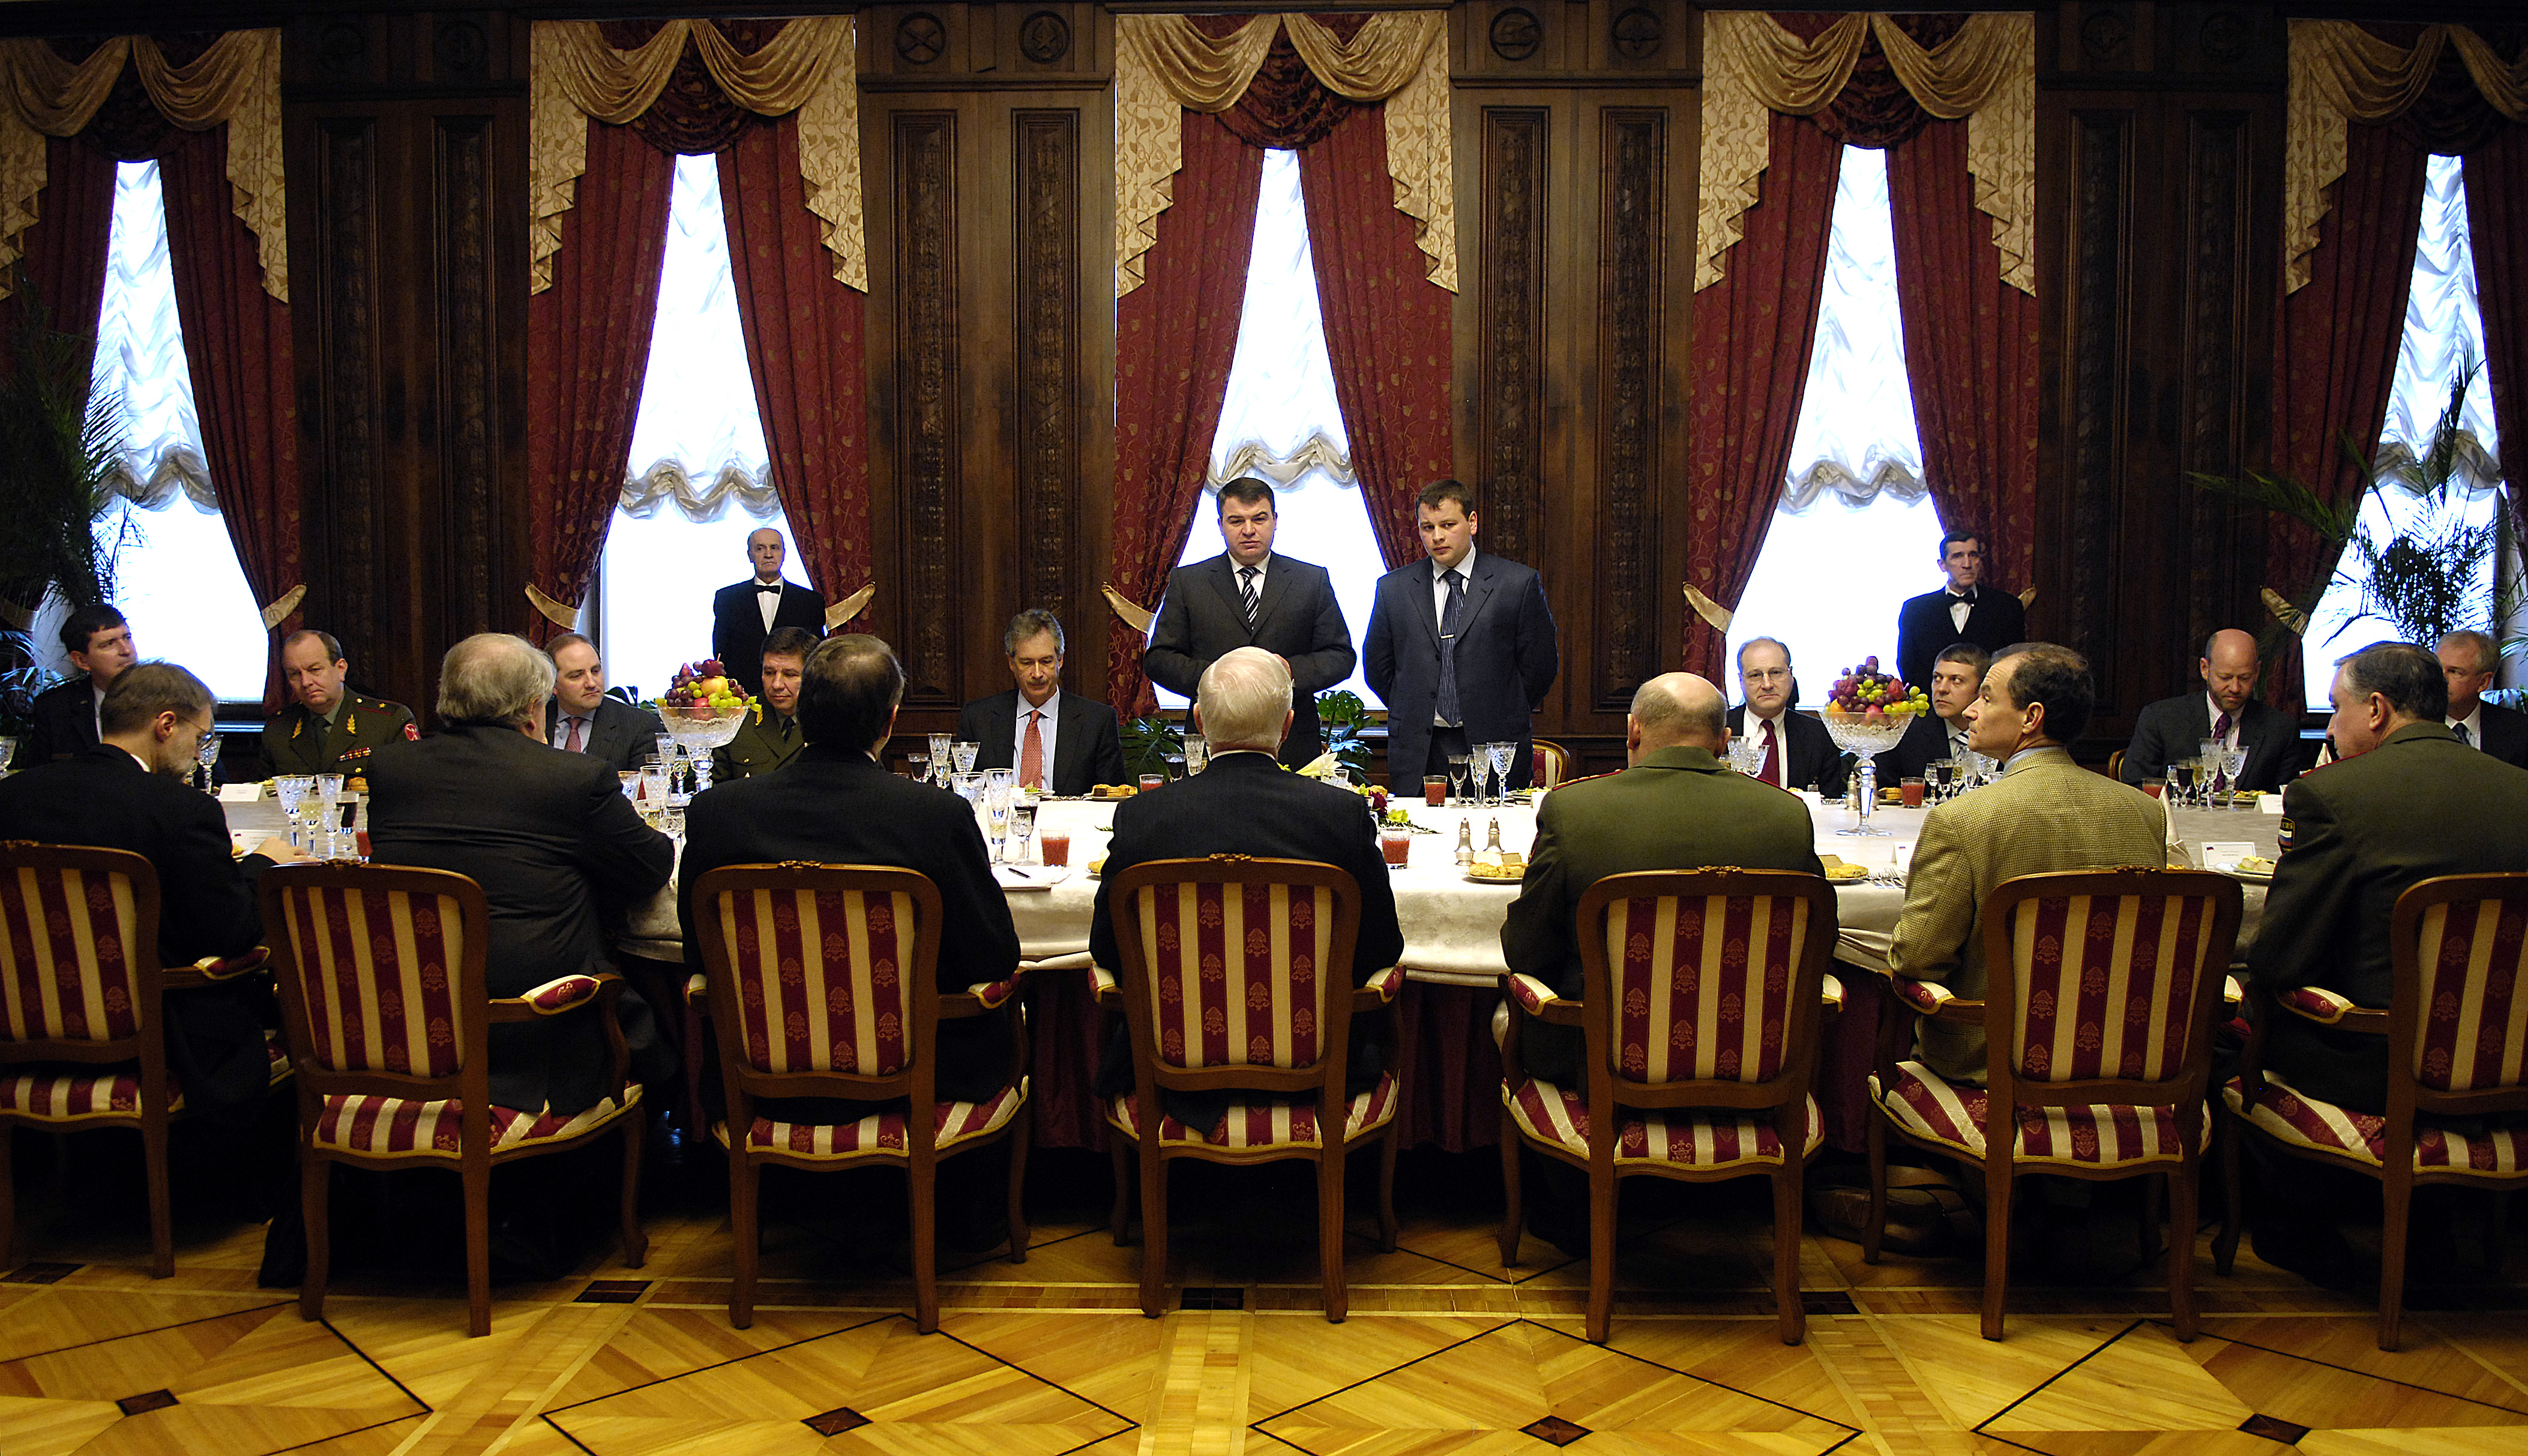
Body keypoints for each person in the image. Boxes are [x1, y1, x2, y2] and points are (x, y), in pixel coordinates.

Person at [682, 633, 1021, 1103]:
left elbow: (699, 953)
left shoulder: (715, 815)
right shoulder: (935, 817)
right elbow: (992, 957)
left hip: (756, 1082)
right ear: (890, 722)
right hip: (921, 1082)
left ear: (802, 712)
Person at [1090, 648, 1404, 1134]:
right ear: (1287, 725)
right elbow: (1383, 947)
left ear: (1198, 720)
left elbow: (1106, 947)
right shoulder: (1340, 816)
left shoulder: (1142, 818)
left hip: (1170, 1072)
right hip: (1321, 1068)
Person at [365, 634, 674, 1117]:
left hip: (410, 1019)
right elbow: (649, 867)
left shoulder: (389, 769)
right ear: (535, 706)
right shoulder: (570, 778)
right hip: (541, 1030)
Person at [0, 661, 305, 1125]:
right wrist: (264, 863)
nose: (199, 752)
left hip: (20, 1035)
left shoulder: (13, 797)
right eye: (201, 737)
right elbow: (230, 934)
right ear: (166, 725)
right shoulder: (180, 810)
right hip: (160, 1039)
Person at [1501, 672, 1830, 1089]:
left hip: (1595, 1065)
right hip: (1761, 1071)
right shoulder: (1787, 816)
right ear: (1724, 739)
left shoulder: (1574, 810)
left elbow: (1525, 949)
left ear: (1633, 729)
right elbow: (1821, 942)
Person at [2251, 641, 2528, 1115]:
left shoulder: (2332, 796)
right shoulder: (2519, 789)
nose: (2333, 727)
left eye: (2338, 708)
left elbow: (2279, 960)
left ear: (2377, 708)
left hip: (2376, 1067)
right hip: (2514, 1068)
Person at [1889, 643, 2179, 1082]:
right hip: (2124, 1065)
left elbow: (1916, 959)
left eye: (1986, 697)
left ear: (2031, 717)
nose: (1970, 711)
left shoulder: (1963, 819)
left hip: (1993, 1064)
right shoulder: (2143, 811)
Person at [1143, 478, 1356, 769]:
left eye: (1259, 519)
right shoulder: (1189, 582)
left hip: (1291, 739)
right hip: (1212, 740)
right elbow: (1159, 659)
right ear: (1220, 525)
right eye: (1236, 521)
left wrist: (1287, 672)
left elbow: (1340, 656)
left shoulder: (1311, 581)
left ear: (1275, 520)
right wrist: (1223, 678)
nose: (1248, 530)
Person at [1362, 480, 1560, 793]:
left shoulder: (1516, 583)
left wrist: (1499, 706)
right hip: (1420, 749)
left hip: (1495, 744)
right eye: (1427, 527)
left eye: (1448, 525)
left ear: (1472, 522)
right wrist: (1416, 706)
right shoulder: (1394, 589)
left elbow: (1540, 666)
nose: (1437, 536)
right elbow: (1378, 667)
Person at [959, 609, 1126, 794]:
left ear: (1060, 660)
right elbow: (962, 793)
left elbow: (1112, 800)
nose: (1037, 674)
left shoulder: (1097, 722)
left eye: (1046, 661)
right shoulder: (978, 719)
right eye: (1027, 663)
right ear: (1011, 663)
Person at [2120, 628, 2304, 793]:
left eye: (2245, 678)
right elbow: (2135, 786)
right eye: (2225, 677)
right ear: (2205, 669)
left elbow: (2286, 801)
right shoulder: (2161, 719)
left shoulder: (2281, 730)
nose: (2235, 687)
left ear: (2257, 672)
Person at [262, 629, 417, 775]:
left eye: (315, 670)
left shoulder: (389, 721)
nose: (305, 682)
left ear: (341, 669)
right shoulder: (278, 731)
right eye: (295, 674)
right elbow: (264, 796)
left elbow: (414, 786)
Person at [1895, 531, 2026, 692]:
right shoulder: (1916, 609)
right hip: (1932, 706)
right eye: (1958, 556)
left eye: (1973, 555)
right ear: (1942, 565)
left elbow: (2014, 663)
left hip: (1988, 705)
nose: (1967, 564)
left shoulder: (2008, 606)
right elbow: (1908, 664)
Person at [1723, 637, 1848, 798]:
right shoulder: (1718, 729)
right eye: (1755, 675)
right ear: (1741, 681)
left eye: (1776, 673)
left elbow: (1831, 802)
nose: (1767, 685)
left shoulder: (1819, 734)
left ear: (1791, 676)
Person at [711, 527, 826, 698]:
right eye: (760, 548)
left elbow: (815, 654)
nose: (768, 554)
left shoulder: (811, 601)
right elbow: (721, 652)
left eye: (774, 548)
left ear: (784, 554)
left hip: (796, 697)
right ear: (750, 555)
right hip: (743, 696)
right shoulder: (727, 598)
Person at [22, 604, 137, 764]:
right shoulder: (55, 708)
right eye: (109, 644)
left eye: (127, 638)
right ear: (81, 660)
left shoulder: (166, 696)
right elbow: (40, 776)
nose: (126, 651)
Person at [543, 633, 666, 774]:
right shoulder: (532, 722)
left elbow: (645, 792)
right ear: (552, 683)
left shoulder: (639, 726)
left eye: (596, 671)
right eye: (577, 676)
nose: (591, 683)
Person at [711, 627, 815, 781]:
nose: (777, 684)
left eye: (790, 675)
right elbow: (715, 790)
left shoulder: (827, 720)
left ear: (812, 674)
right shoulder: (738, 719)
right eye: (769, 673)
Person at [1883, 643, 1990, 784]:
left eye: (1956, 680)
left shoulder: (2001, 733)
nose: (1942, 689)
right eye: (1937, 678)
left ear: (1982, 689)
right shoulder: (1904, 733)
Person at [2437, 630, 2528, 769]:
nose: (2441, 679)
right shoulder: (2409, 724)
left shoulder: (2520, 731)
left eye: (2455, 672)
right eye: (2437, 669)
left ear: (2483, 682)